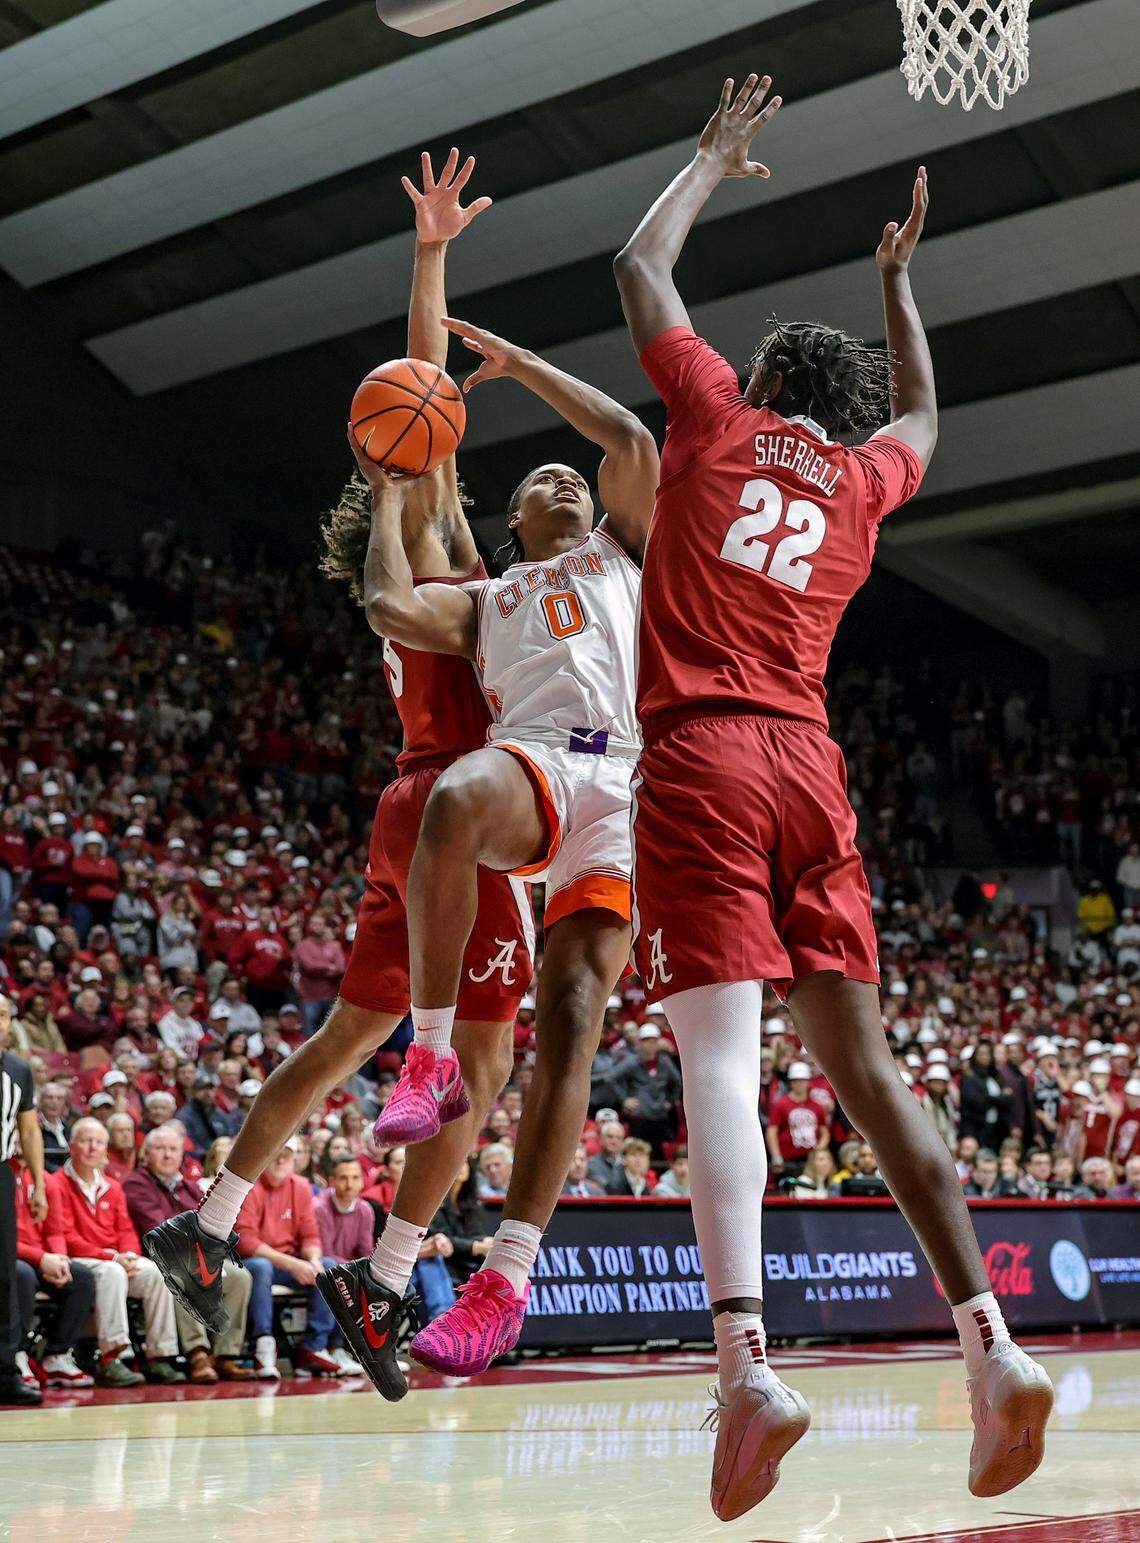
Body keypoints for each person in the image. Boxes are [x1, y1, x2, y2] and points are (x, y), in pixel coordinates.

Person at [613, 72, 1052, 1519]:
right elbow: (925, 406)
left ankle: (745, 1364)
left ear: (762, 376)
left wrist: (705, 161)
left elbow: (637, 267)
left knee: (719, 1063)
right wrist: (898, 283)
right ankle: (993, 1348)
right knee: (871, 1073)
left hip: (705, 757)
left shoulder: (714, 413)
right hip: (813, 769)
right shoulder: (864, 482)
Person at [142, 153, 533, 1405]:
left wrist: (431, 260)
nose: (442, 470)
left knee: (346, 1036)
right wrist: (426, 268)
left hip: (406, 815)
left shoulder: (442, 561)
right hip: (462, 813)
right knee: (481, 1066)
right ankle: (390, 1271)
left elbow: (423, 404)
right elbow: (424, 439)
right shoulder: (433, 567)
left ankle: (207, 1214)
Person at [318, 290, 657, 1384]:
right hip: (544, 763)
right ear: (513, 526)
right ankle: (428, 1057)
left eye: (570, 476)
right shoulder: (493, 595)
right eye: (539, 481)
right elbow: (389, 605)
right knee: (457, 802)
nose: (562, 478)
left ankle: (505, 1279)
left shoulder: (622, 553)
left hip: (632, 787)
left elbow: (633, 439)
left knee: (569, 1025)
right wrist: (385, 500)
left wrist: (523, 361)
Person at [47, 1118, 183, 1387]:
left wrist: (130, 1255)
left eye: (98, 1143)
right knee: (113, 1273)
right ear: (72, 1146)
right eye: (86, 1141)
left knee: (158, 1273)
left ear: (105, 1150)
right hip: (82, 1260)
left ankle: (160, 1356)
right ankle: (113, 1357)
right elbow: (66, 1236)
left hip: (116, 1258)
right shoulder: (56, 1183)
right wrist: (113, 1258)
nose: (92, 1148)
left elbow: (126, 1230)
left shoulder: (113, 1186)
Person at [123, 1125, 253, 1383]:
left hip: (199, 1255)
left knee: (240, 1276)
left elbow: (211, 1224)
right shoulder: (136, 1184)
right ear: (146, 1154)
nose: (168, 1155)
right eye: (160, 1149)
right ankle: (197, 1354)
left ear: (182, 1155)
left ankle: (226, 1355)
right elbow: (161, 1229)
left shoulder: (189, 1187)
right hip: (159, 1260)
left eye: (173, 1149)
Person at [236, 1143, 345, 1380]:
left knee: (327, 1266)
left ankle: (313, 1347)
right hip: (253, 1263)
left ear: (294, 1159)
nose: (279, 1161)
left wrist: (313, 1260)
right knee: (262, 1267)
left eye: (285, 1155)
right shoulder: (249, 1184)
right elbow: (245, 1242)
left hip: (287, 1262)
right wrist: (293, 1264)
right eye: (274, 1154)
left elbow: (310, 1235)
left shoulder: (302, 1186)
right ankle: (262, 1346)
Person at [13, 1150, 96, 1388]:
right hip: (12, 1256)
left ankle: (57, 1355)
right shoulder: (5, 1175)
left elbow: (55, 1231)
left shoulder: (44, 1179)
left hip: (42, 1257)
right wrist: (41, 1259)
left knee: (81, 1277)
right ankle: (15, 1354)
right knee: (22, 1275)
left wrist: (59, 1260)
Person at [1, 1042, 49, 1405]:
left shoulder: (19, 1069)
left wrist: (39, 1186)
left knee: (5, 1276)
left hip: (3, 1172)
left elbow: (30, 1131)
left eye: (3, 1014)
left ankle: (5, 1372)